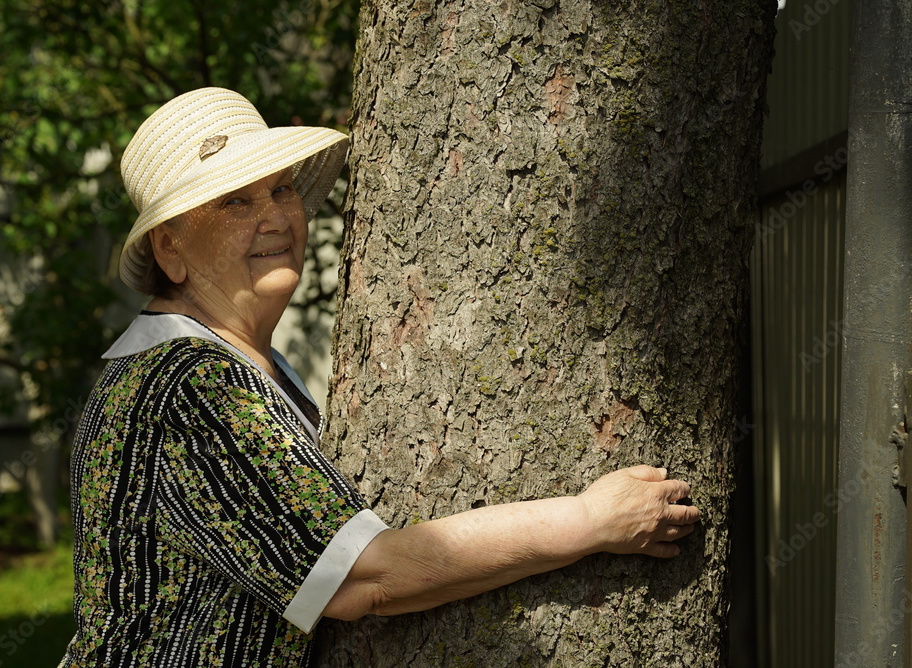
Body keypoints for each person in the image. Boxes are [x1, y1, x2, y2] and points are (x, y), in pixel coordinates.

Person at [59, 87, 700, 667]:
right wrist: (590, 521)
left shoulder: (215, 368)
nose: (276, 217)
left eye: (281, 189)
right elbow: (367, 577)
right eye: (234, 201)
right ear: (170, 249)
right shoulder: (191, 388)